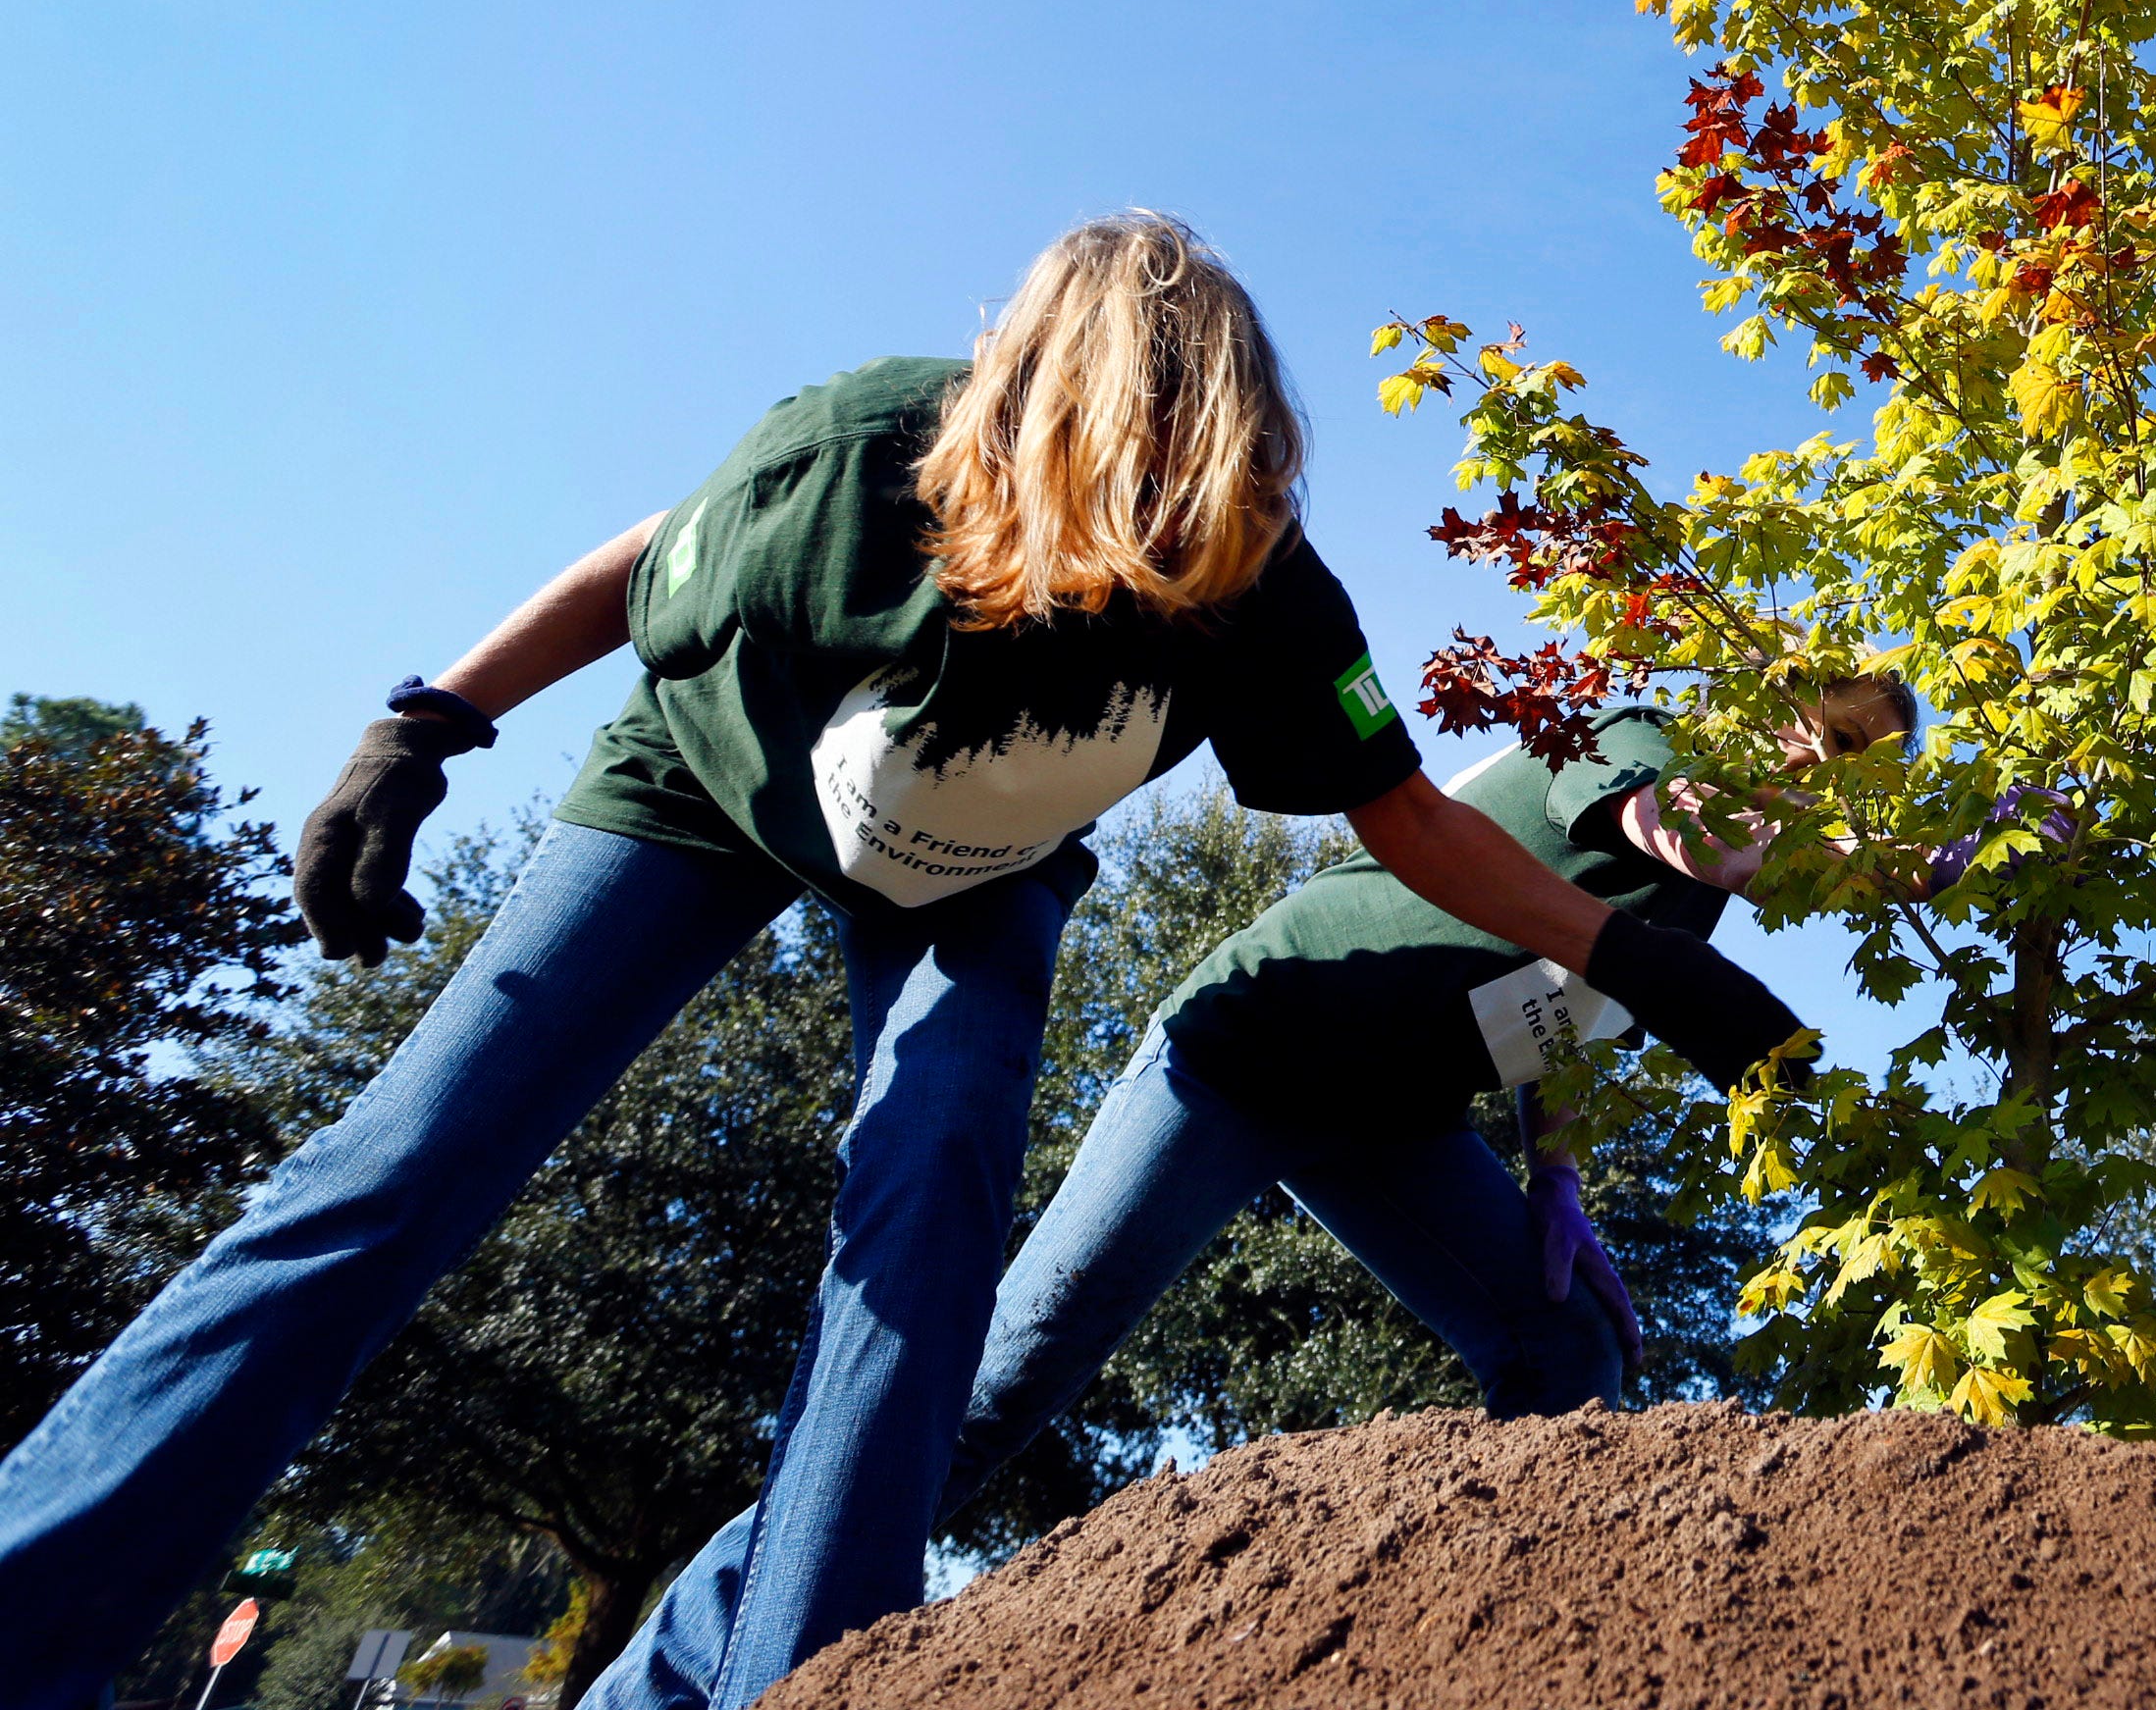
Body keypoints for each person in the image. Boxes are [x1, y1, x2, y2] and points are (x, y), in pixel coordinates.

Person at [0, 214, 1811, 1710]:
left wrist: (1634, 959)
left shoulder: (1263, 581)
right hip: (712, 791)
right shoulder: (851, 456)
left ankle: (806, 1681)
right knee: (411, 1164)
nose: (1189, 547)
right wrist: (429, 726)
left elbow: (1407, 819)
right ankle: (37, 1611)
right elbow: (641, 566)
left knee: (933, 1215)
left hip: (979, 875)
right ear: (1057, 424)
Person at [589, 675, 1912, 1706]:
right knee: (998, 1379)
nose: (1826, 774)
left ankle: (1529, 1650)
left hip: (1387, 1121)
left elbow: (1547, 1013)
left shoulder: (1698, 913)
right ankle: (666, 1689)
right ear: (1771, 716)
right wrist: (1922, 857)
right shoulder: (1639, 740)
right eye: (1830, 743)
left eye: (1861, 768)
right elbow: (1681, 833)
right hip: (1240, 1053)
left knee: (1563, 1334)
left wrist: (1554, 1180)